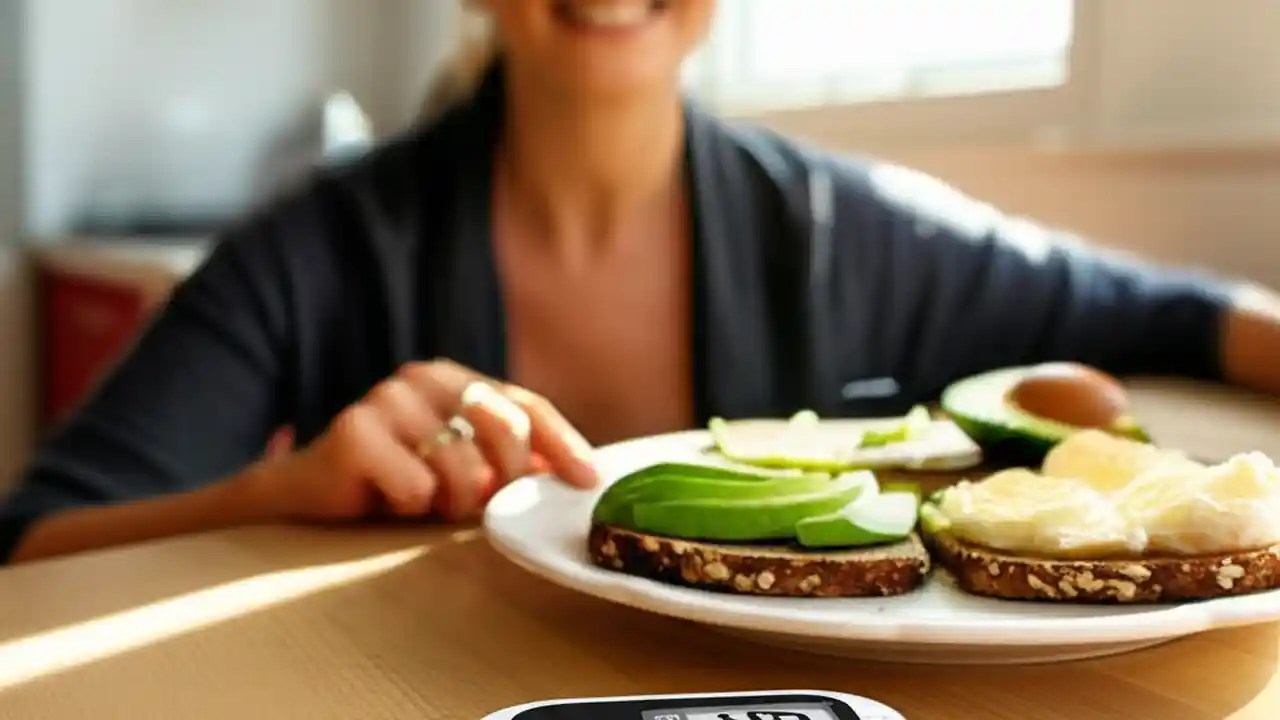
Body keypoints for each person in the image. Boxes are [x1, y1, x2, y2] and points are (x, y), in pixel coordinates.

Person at [4, 0, 1280, 564]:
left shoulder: (848, 226)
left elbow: (1171, 315)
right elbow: (33, 545)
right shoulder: (316, 247)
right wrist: (277, 490)